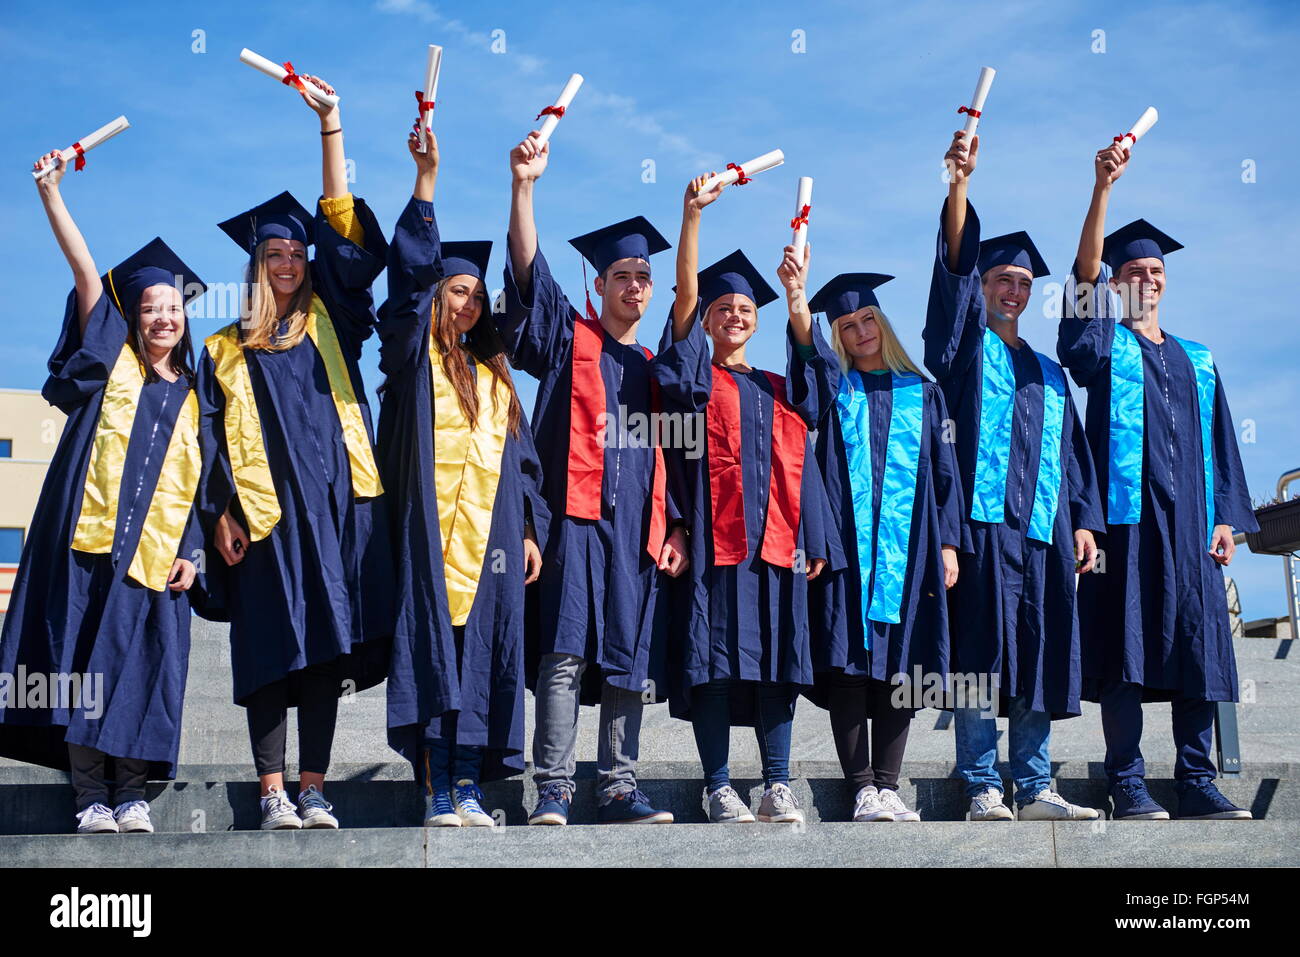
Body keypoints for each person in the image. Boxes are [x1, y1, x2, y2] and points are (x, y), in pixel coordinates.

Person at [195, 72, 394, 830]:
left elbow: (347, 239)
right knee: (272, 651)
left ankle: (313, 786)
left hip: (337, 513)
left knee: (326, 655)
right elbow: (208, 441)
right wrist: (218, 513)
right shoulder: (221, 348)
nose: (288, 260)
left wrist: (330, 129)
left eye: (296, 251)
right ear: (255, 262)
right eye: (274, 251)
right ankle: (271, 787)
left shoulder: (331, 324)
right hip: (265, 520)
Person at [0, 150, 209, 834]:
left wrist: (196, 550)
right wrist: (53, 196)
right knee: (81, 662)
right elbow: (87, 274)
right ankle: (89, 792)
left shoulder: (198, 397)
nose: (162, 317)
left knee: (144, 667)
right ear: (131, 317)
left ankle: (132, 793)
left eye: (172, 307)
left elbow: (209, 481)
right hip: (89, 547)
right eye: (150, 307)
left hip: (155, 560)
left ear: (186, 319)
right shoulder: (109, 366)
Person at [1058, 138, 1258, 821]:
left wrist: (1226, 516)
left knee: (1200, 650)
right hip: (1125, 525)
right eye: (1133, 269)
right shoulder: (1101, 346)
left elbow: (1223, 444)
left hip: (1193, 530)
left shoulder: (1198, 359)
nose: (1146, 276)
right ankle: (1127, 779)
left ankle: (1197, 778)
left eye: (1155, 268)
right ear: (1116, 281)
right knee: (1122, 650)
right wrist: (1101, 189)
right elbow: (1080, 282)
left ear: (1165, 278)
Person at [501, 130, 690, 826]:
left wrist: (677, 524)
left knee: (627, 661)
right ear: (599, 284)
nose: (635, 286)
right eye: (622, 277)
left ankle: (617, 785)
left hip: (637, 530)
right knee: (563, 651)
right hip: (573, 521)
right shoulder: (565, 339)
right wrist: (524, 187)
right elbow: (528, 272)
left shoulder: (655, 367)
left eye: (644, 277)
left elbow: (683, 452)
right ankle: (552, 788)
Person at [650, 175, 841, 825]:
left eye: (745, 312)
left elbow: (819, 408)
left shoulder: (779, 386)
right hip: (715, 546)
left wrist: (796, 301)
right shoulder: (693, 380)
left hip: (779, 547)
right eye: (723, 309)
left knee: (778, 668)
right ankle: (718, 784)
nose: (736, 315)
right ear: (707, 319)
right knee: (715, 665)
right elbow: (674, 344)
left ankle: (777, 783)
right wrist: (691, 222)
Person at [925, 129, 1104, 821]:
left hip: (1043, 535)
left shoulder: (1050, 372)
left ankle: (1033, 785)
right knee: (978, 654)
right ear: (984, 286)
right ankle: (979, 782)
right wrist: (959, 186)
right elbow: (952, 276)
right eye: (1002, 279)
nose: (1013, 290)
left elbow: (1073, 453)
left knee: (1039, 649)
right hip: (979, 529)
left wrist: (1085, 520)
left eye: (1025, 284)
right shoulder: (965, 350)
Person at [376, 128, 549, 828]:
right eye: (457, 290)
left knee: (483, 663)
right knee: (436, 660)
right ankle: (435, 788)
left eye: (478, 296)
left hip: (492, 545)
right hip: (429, 542)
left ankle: (469, 787)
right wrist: (427, 180)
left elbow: (525, 462)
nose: (470, 304)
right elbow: (407, 293)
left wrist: (532, 529)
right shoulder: (416, 363)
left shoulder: (496, 379)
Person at [791, 260, 964, 823]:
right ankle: (862, 786)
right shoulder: (834, 391)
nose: (861, 330)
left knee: (904, 661)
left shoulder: (923, 394)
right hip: (847, 549)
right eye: (847, 325)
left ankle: (888, 786)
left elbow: (946, 475)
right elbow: (806, 378)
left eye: (868, 318)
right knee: (850, 666)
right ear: (837, 336)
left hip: (911, 551)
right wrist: (797, 302)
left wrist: (949, 546)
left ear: (882, 323)